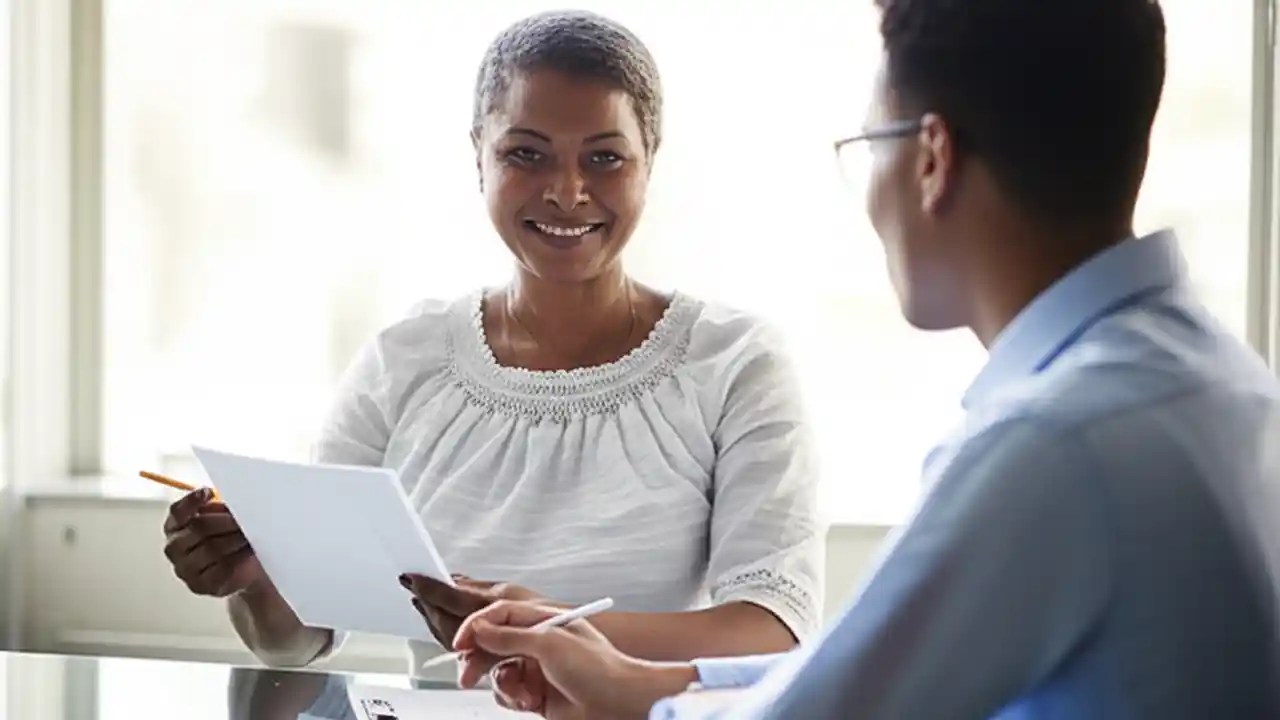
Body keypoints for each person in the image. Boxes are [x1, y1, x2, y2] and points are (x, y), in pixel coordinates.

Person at [449, 0, 1280, 717]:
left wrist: (649, 701)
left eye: (868, 142)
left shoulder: (1054, 444)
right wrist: (643, 687)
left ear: (930, 157)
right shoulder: (1216, 382)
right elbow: (862, 678)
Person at [160, 9, 824, 675]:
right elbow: (298, 638)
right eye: (525, 154)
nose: (567, 191)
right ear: (479, 154)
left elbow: (775, 629)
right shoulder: (403, 361)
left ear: (649, 162)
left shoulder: (735, 364)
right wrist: (252, 575)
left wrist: (551, 633)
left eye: (606, 157)